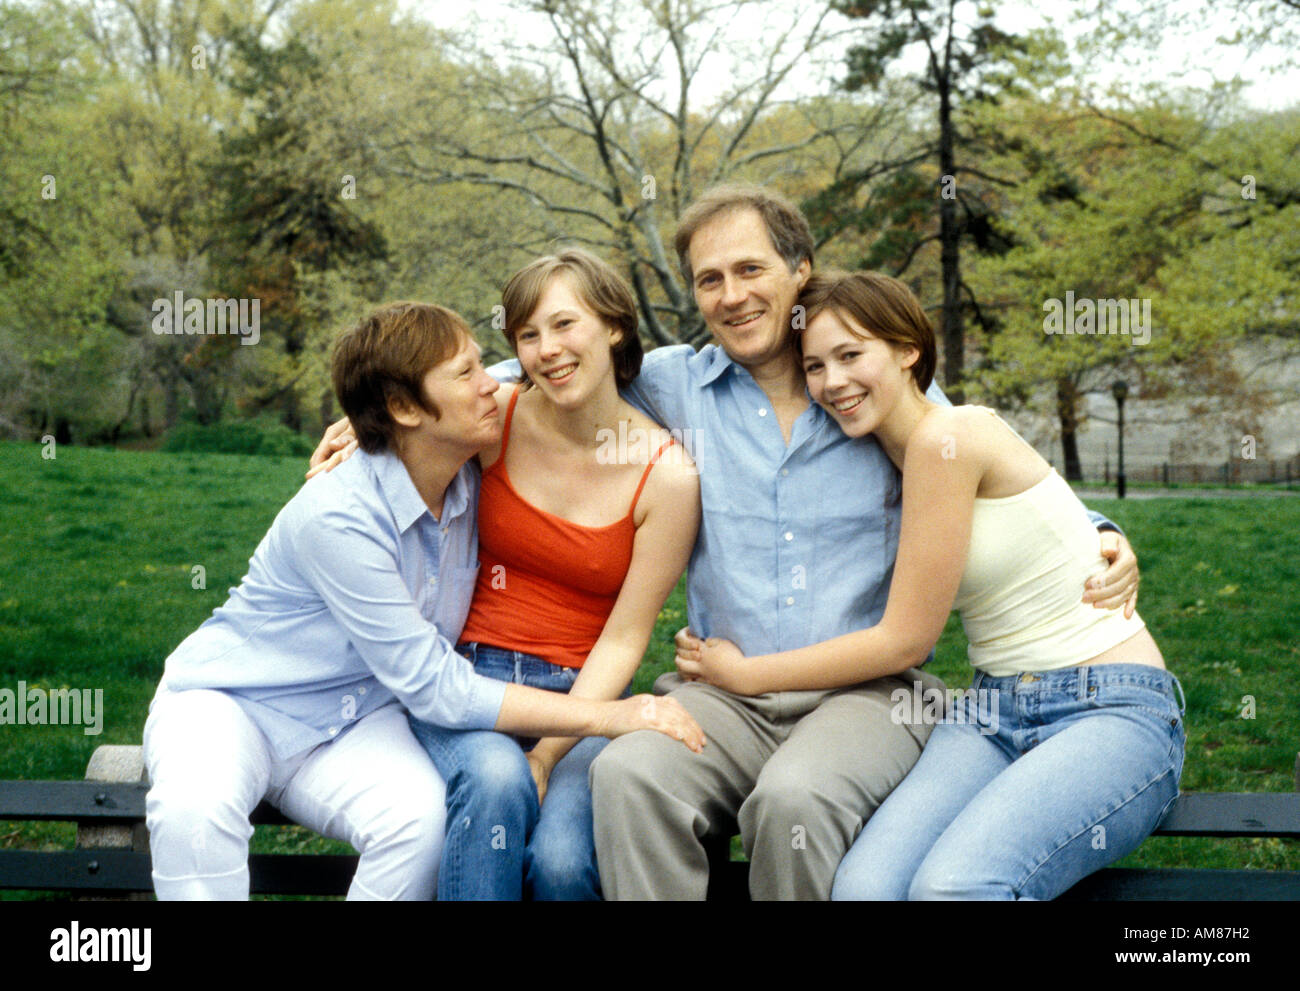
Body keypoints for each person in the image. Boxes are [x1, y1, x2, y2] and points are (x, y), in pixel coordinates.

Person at [313, 186, 1141, 901]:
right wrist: (382, 411)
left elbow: (996, 472)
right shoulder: (674, 381)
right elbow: (549, 359)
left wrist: (1102, 535)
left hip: (866, 694)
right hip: (721, 689)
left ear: (799, 273)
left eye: (750, 270)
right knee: (630, 774)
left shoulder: (861, 380)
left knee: (795, 800)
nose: (731, 294)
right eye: (710, 279)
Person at [144, 301, 703, 900]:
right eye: (468, 374)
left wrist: (378, 413)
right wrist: (611, 714)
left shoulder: (462, 467)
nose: (494, 379)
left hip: (355, 720)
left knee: (420, 829)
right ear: (406, 409)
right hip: (237, 702)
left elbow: (563, 375)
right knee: (193, 812)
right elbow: (435, 688)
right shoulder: (337, 513)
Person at [677, 270, 1184, 900]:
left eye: (851, 355)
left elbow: (904, 642)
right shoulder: (885, 450)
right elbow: (1050, 515)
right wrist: (1104, 529)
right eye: (814, 367)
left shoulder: (947, 438)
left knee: (954, 889)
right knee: (863, 889)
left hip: (1108, 707)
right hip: (993, 710)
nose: (833, 382)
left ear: (909, 350)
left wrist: (747, 675)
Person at [308, 251, 701, 900]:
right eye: (528, 334)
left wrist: (547, 753)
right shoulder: (498, 421)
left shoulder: (667, 474)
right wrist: (364, 418)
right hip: (465, 677)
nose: (547, 350)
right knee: (494, 780)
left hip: (582, 699)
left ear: (613, 326)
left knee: (562, 864)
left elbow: (627, 637)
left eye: (565, 324)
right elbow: (422, 407)